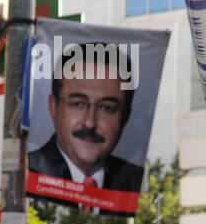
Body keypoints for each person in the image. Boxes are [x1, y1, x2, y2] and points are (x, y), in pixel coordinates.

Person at [28, 52, 144, 200]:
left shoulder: (136, 184)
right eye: (78, 104)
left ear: (125, 116)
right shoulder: (27, 172)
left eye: (106, 108)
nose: (90, 123)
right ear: (53, 107)